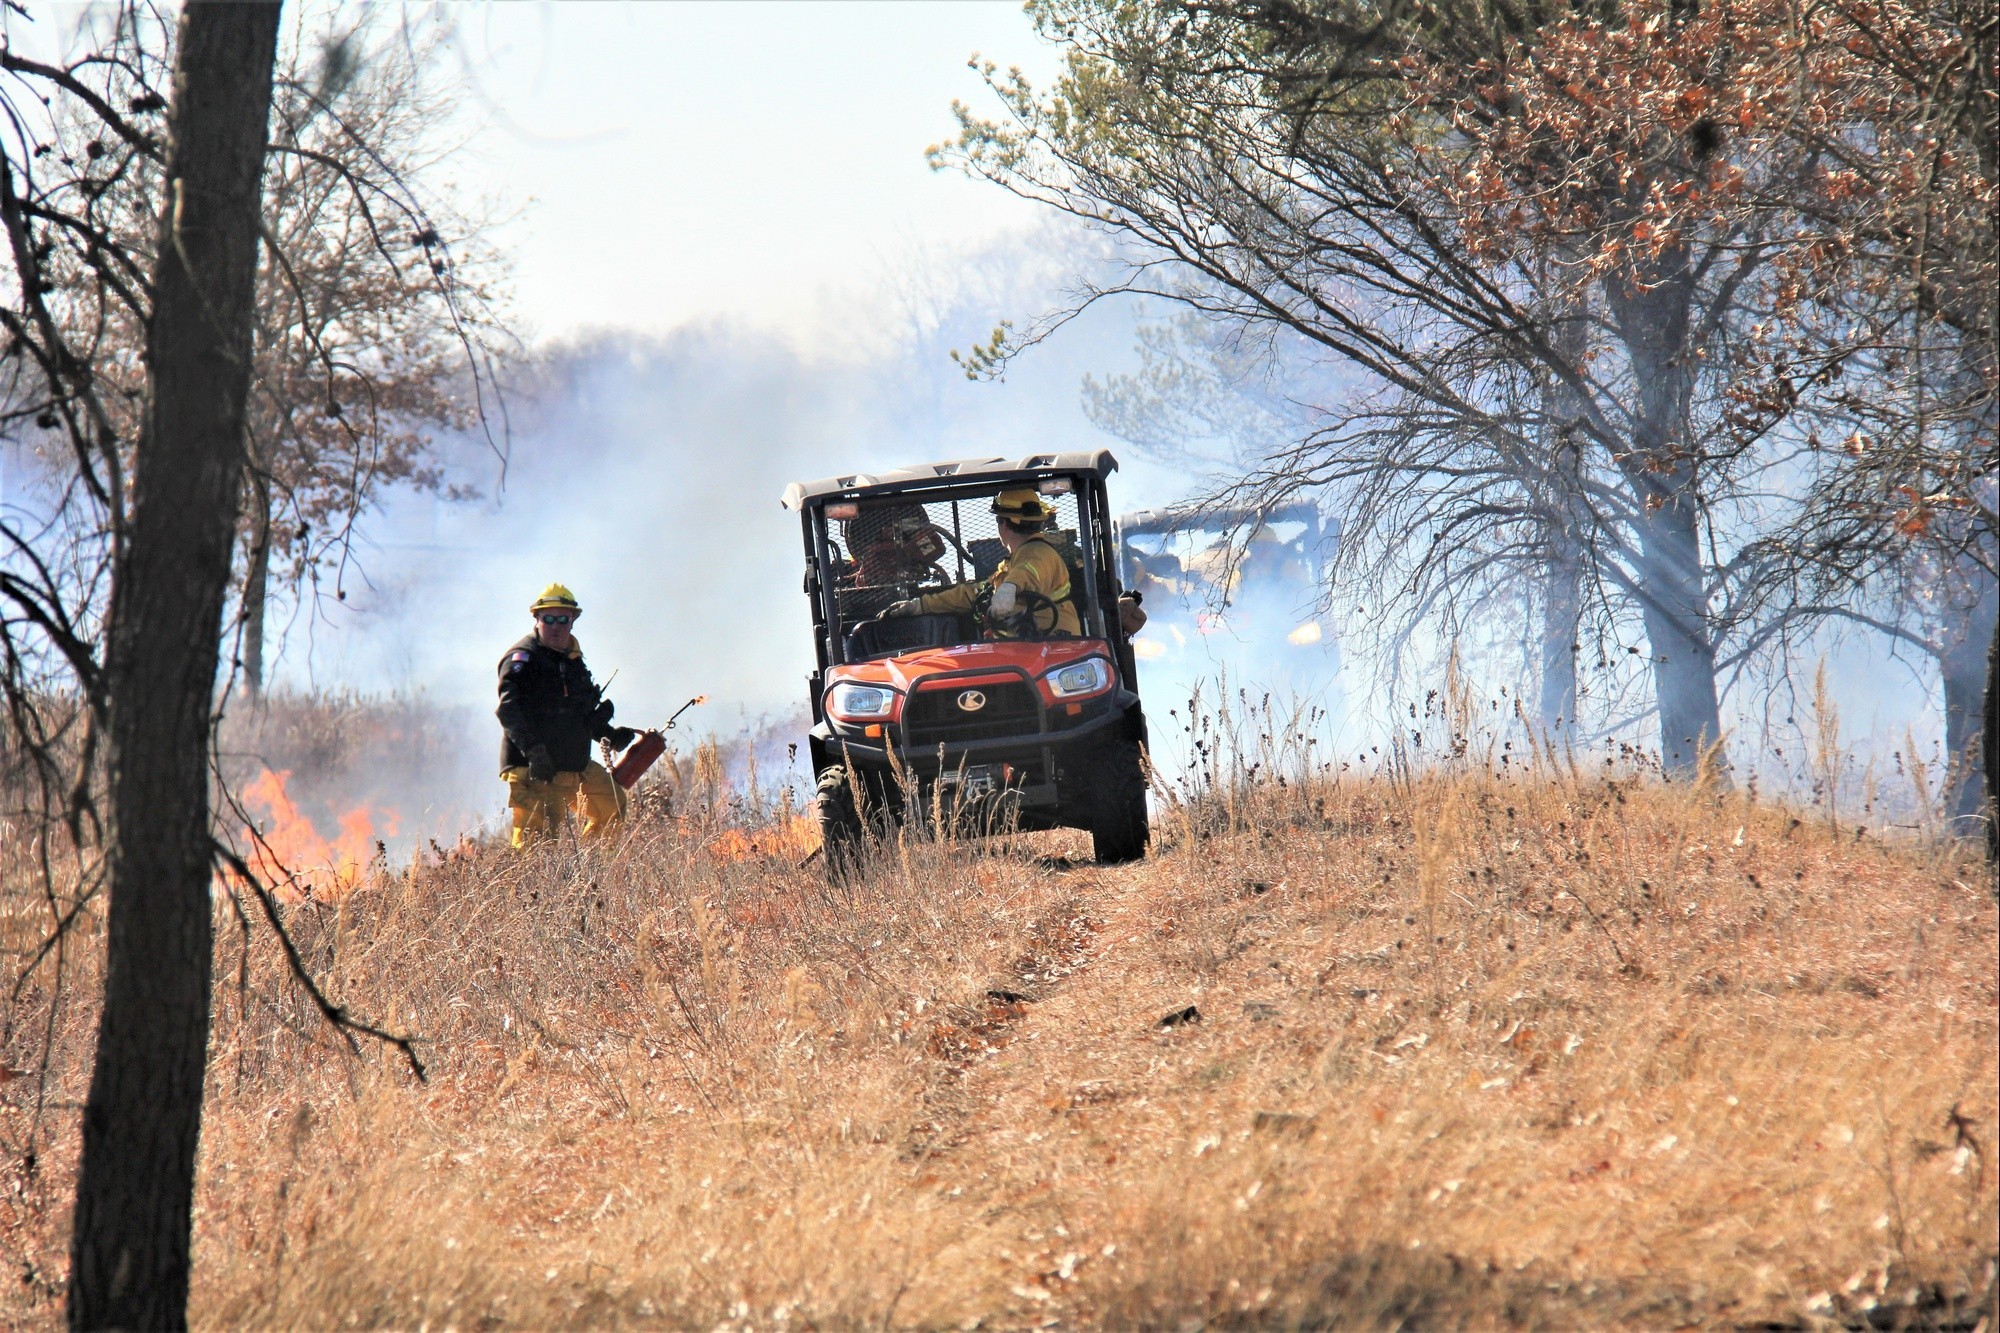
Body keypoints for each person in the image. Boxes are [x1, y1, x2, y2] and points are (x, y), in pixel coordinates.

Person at [496, 583, 638, 847]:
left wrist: (608, 734)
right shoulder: (523, 658)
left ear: (573, 621)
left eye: (563, 618)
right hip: (533, 768)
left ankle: (591, 874)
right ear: (536, 619)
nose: (556, 625)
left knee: (612, 806)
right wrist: (534, 752)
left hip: (572, 764)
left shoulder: (572, 661)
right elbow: (508, 710)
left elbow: (576, 713)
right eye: (548, 618)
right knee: (537, 846)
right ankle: (529, 886)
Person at [882, 489, 1086, 638]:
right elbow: (977, 593)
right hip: (1028, 645)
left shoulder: (1039, 553)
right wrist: (920, 606)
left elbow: (1029, 570)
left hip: (1054, 646)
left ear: (1003, 524)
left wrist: (1009, 588)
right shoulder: (1012, 563)